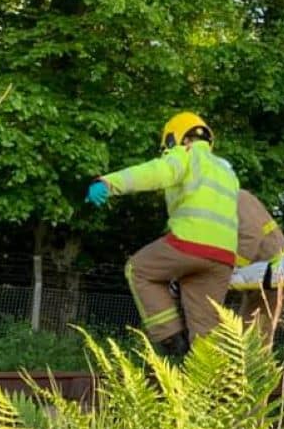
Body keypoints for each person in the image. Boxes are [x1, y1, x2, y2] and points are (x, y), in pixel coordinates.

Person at [86, 112, 239, 358]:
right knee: (206, 335)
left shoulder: (186, 154)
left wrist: (108, 183)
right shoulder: (226, 171)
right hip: (223, 258)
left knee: (138, 270)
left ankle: (170, 338)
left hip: (189, 243)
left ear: (174, 139)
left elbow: (154, 173)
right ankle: (211, 389)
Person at [234, 188, 284, 346]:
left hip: (272, 270)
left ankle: (255, 369)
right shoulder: (234, 198)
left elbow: (251, 234)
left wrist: (235, 268)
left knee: (254, 333)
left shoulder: (237, 198)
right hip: (262, 270)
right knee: (247, 330)